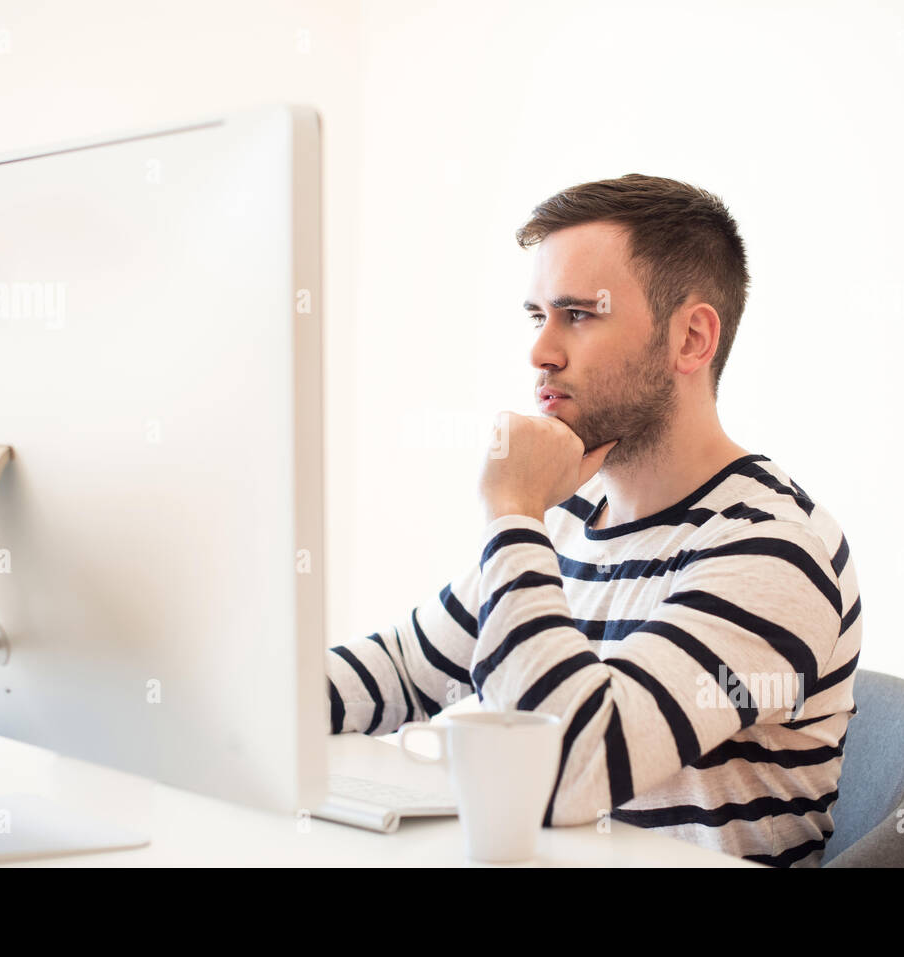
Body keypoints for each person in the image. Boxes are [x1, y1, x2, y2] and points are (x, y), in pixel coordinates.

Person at [325, 174, 862, 867]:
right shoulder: (566, 522)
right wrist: (252, 707)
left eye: (577, 314)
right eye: (536, 316)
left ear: (692, 339)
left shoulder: (774, 549)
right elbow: (400, 672)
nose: (540, 352)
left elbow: (569, 768)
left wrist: (512, 510)